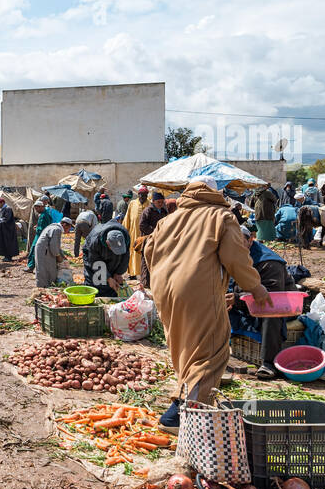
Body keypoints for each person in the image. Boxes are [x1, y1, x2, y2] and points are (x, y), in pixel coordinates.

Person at [144, 176, 270, 430]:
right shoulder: (221, 217)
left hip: (164, 290)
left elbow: (148, 250)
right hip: (198, 289)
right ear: (216, 193)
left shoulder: (168, 219)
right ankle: (183, 415)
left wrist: (163, 279)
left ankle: (184, 404)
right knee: (211, 352)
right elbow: (235, 257)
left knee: (185, 347)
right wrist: (256, 287)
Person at [228, 228, 292, 380]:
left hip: (278, 306)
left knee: (271, 315)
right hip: (247, 304)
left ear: (250, 239)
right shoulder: (234, 257)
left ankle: (269, 363)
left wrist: (237, 299)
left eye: (240, 241)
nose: (235, 245)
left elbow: (271, 297)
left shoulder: (268, 261)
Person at [83, 221, 130, 298]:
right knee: (96, 279)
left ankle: (112, 294)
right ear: (107, 243)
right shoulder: (95, 241)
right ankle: (97, 296)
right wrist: (108, 278)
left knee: (113, 270)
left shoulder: (125, 237)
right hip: (93, 255)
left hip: (107, 250)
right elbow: (96, 262)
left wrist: (118, 273)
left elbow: (125, 256)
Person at [34, 215, 73, 288]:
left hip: (44, 249)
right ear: (64, 224)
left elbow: (56, 246)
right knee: (45, 268)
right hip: (44, 250)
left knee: (47, 267)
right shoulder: (56, 229)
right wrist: (59, 257)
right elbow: (54, 246)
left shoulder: (54, 227)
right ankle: (43, 287)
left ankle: (46, 285)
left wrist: (62, 256)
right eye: (68, 228)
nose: (68, 230)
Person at [26, 198, 62, 272]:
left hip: (40, 235)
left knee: (34, 250)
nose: (36, 209)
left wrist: (37, 229)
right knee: (34, 250)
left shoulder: (44, 215)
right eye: (35, 208)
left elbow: (43, 228)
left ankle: (31, 267)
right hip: (40, 235)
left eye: (37, 208)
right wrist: (37, 225)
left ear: (41, 207)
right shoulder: (43, 214)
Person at [123, 186, 147, 277]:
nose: (143, 197)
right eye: (141, 195)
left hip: (145, 235)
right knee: (132, 253)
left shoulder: (150, 204)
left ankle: (144, 274)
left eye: (145, 195)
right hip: (133, 234)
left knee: (144, 253)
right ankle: (132, 273)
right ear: (138, 195)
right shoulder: (132, 204)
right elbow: (127, 219)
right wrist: (125, 231)